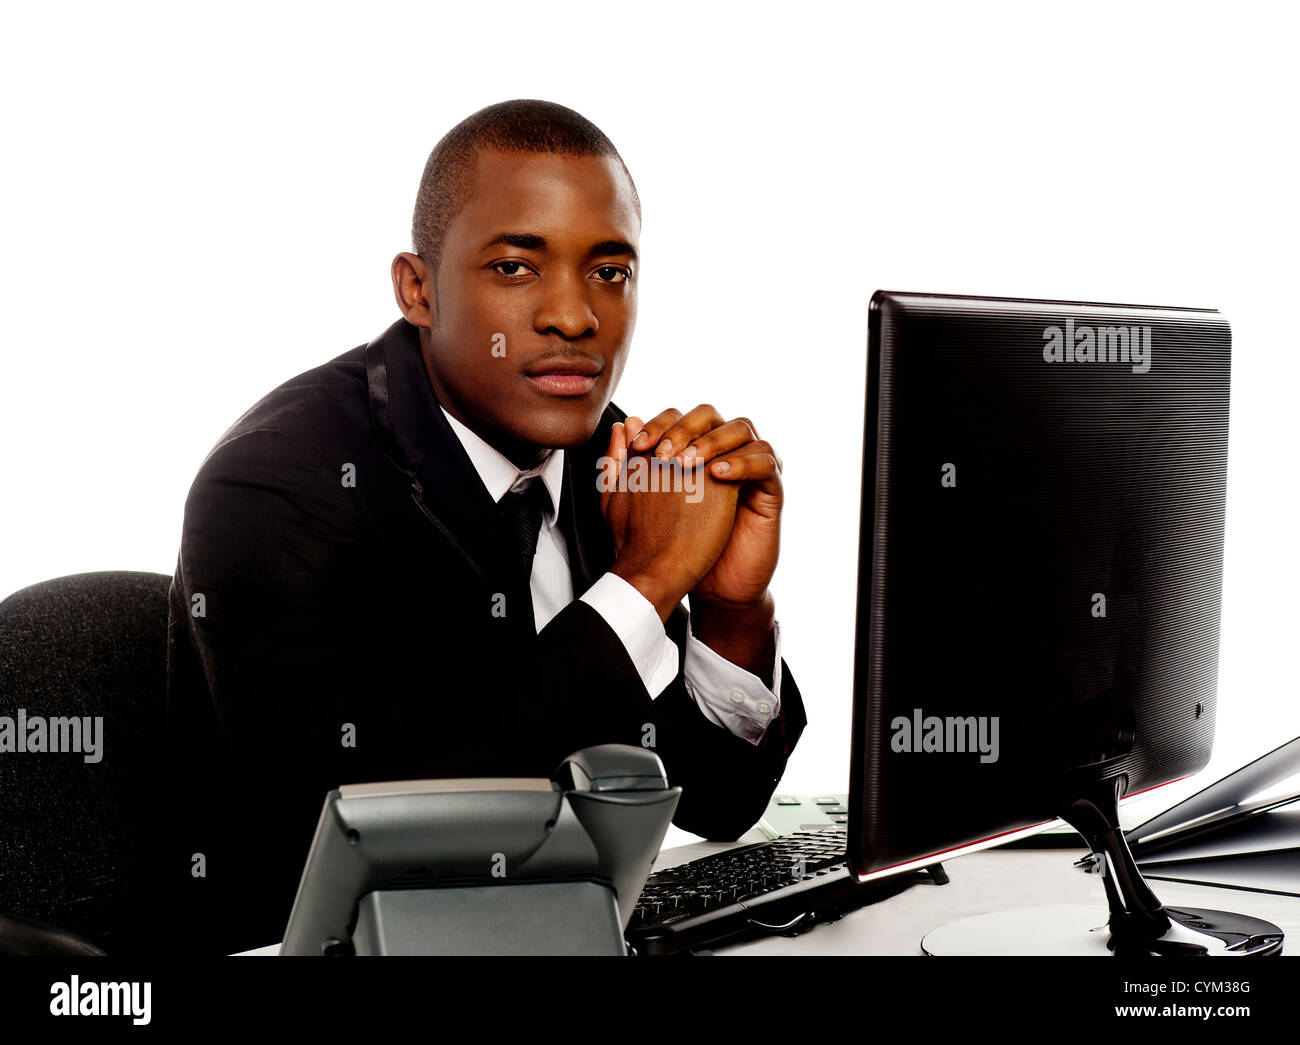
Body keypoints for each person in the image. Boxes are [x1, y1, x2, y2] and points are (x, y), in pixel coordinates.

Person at [155, 99, 806, 954]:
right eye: (514, 267)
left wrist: (727, 612)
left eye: (609, 271)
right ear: (417, 288)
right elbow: (398, 834)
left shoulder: (610, 453)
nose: (575, 316)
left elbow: (720, 802)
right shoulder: (278, 486)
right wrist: (645, 583)